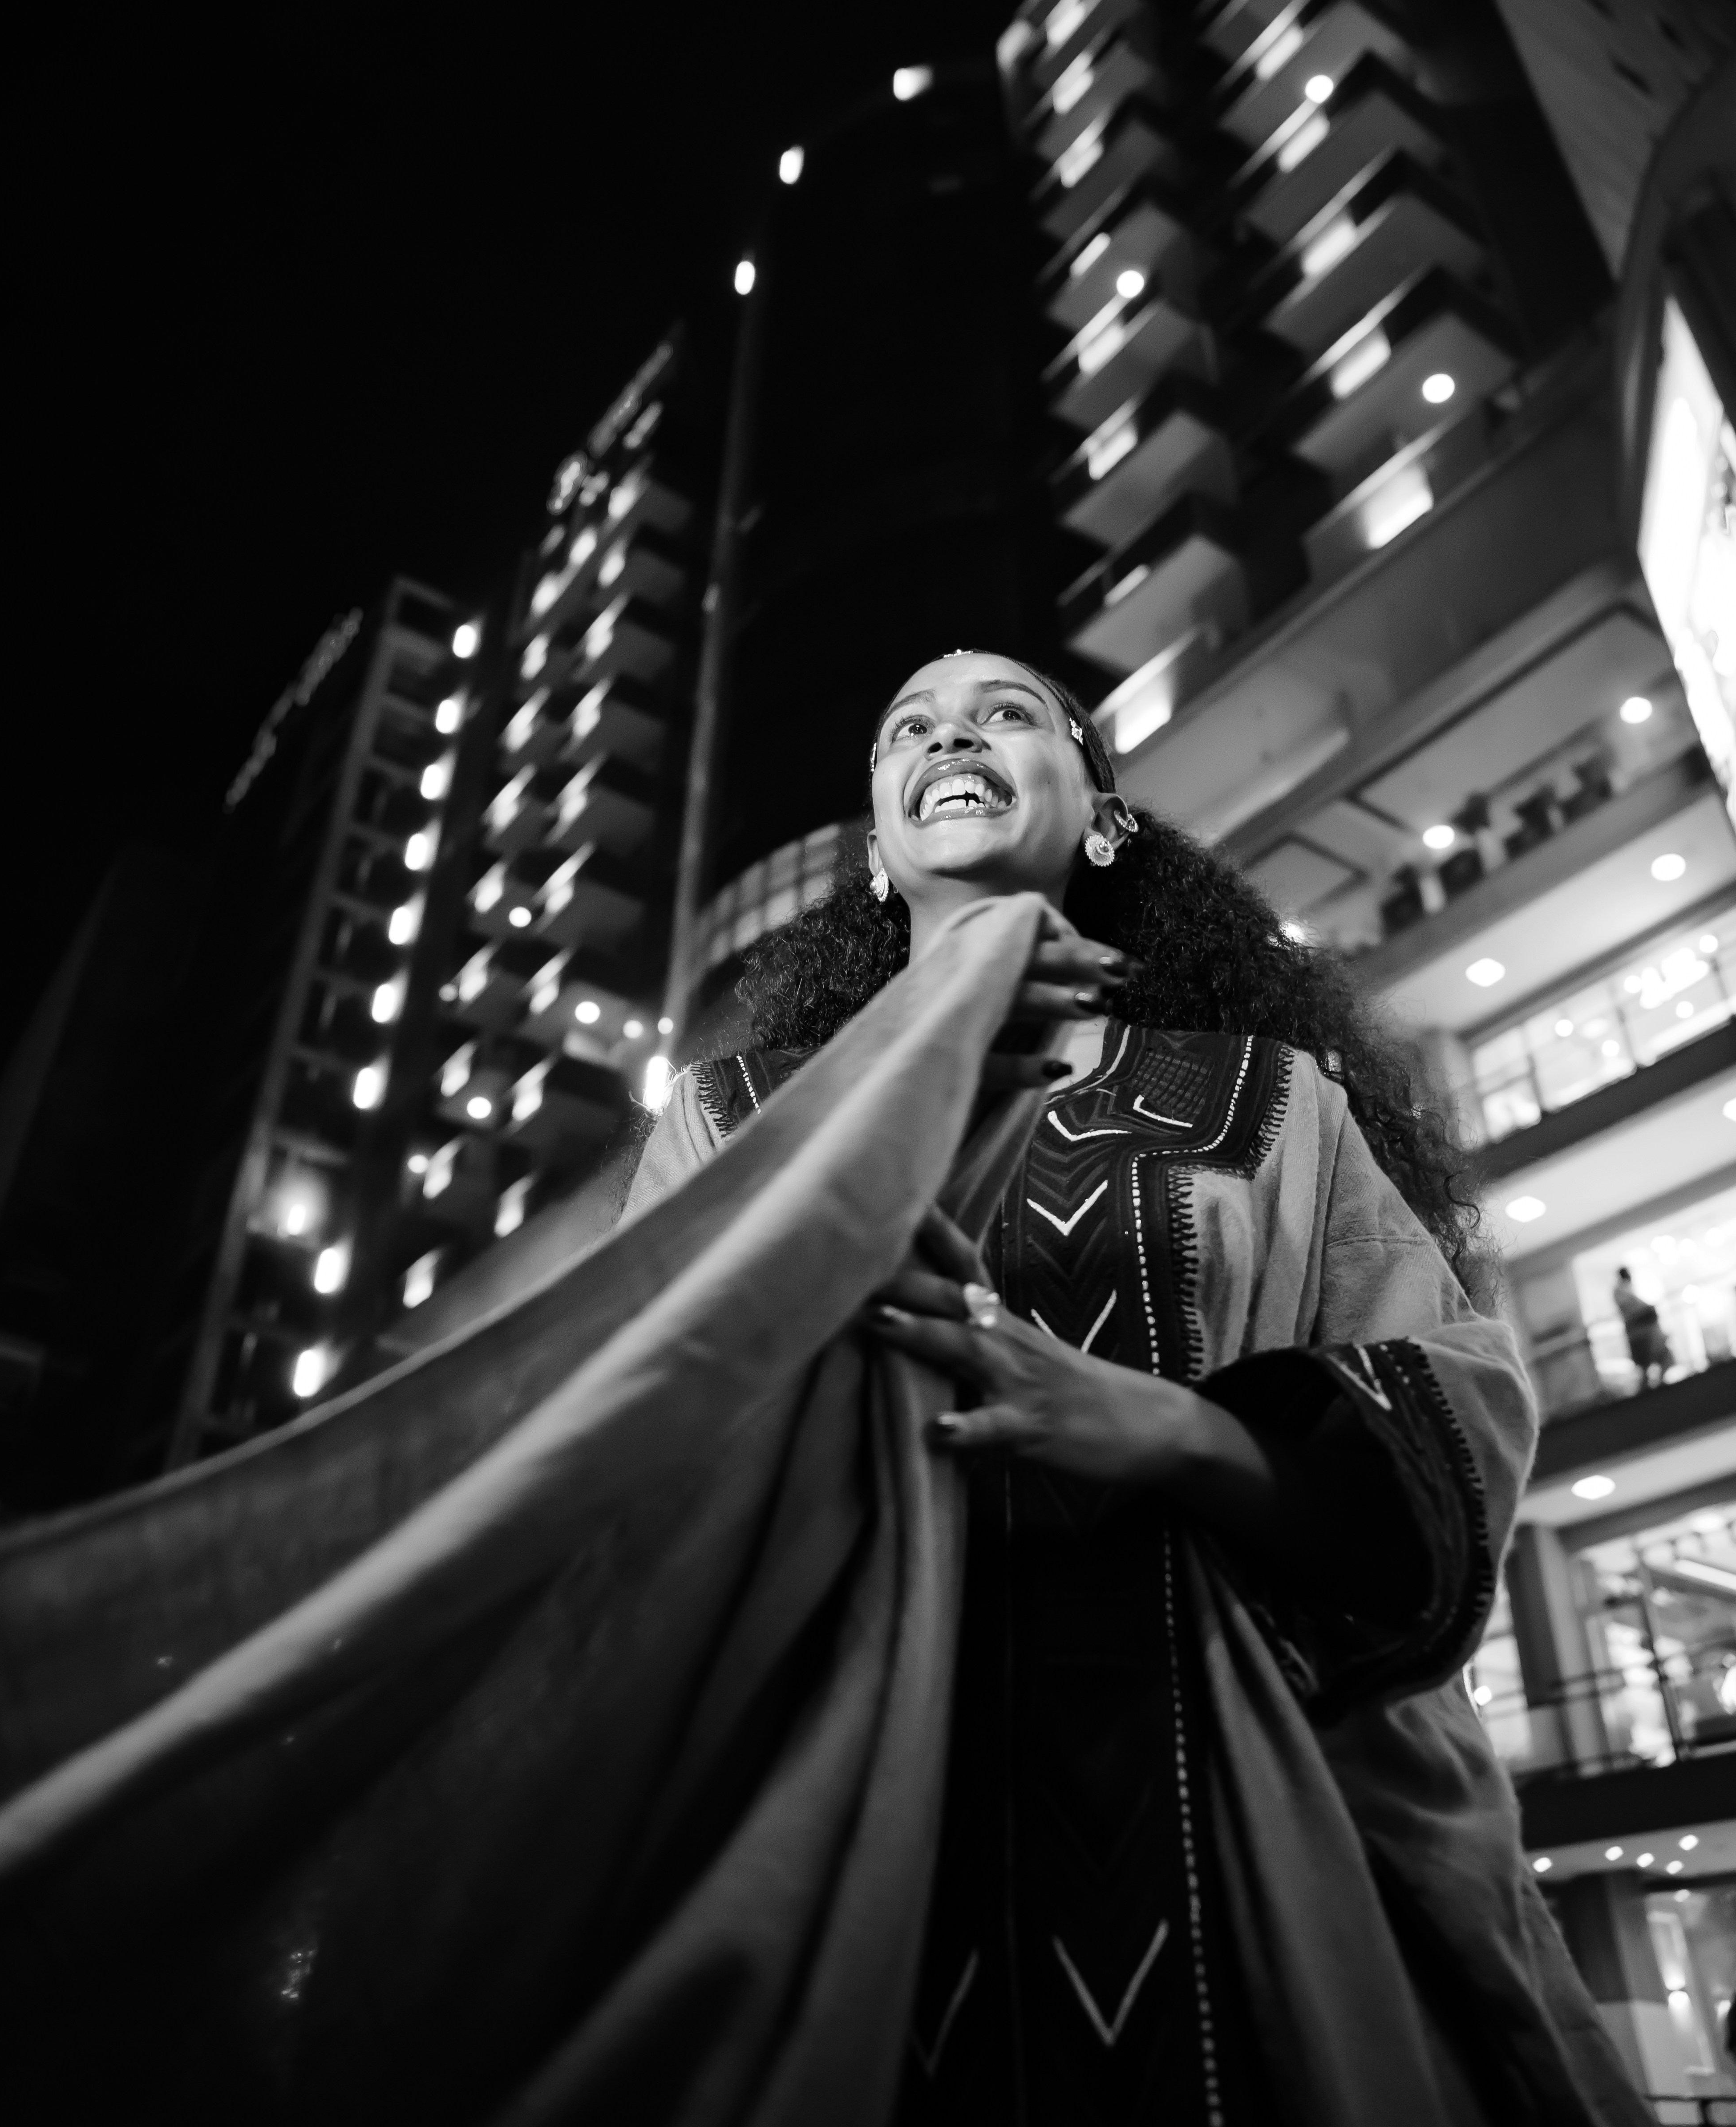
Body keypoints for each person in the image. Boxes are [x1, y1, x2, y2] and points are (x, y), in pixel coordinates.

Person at [631, 648, 1648, 2126]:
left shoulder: (1262, 1097)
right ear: (875, 852)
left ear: (1103, 819)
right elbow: (639, 1439)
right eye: (907, 725)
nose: (950, 734)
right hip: (850, 1844)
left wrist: (1169, 1429)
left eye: (1005, 713)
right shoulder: (733, 1120)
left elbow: (1459, 1401)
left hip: (1237, 1817)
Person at [1611, 1264, 1671, 1388]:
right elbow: (1635, 1310)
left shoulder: (1628, 1290)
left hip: (1645, 1334)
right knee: (1646, 1368)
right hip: (1640, 1336)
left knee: (1664, 1360)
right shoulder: (1620, 1292)